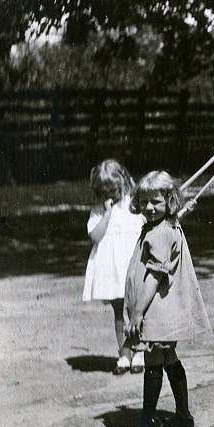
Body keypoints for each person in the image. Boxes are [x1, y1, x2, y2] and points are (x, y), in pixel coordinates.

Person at [124, 171, 210, 427]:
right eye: (145, 201)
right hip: (165, 308)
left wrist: (138, 312)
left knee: (152, 359)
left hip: (155, 308)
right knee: (169, 355)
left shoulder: (160, 233)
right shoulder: (168, 225)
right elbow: (171, 224)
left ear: (169, 202)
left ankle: (148, 417)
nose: (149, 208)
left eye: (156, 202)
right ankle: (183, 414)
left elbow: (154, 276)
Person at [83, 159, 146, 374]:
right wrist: (107, 213)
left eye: (113, 189)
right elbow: (95, 237)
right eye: (104, 192)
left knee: (135, 308)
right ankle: (123, 354)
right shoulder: (98, 212)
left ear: (123, 182)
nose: (109, 195)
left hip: (131, 264)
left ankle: (139, 352)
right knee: (119, 311)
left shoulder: (134, 205)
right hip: (112, 269)